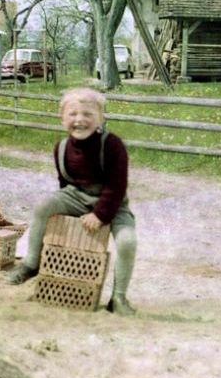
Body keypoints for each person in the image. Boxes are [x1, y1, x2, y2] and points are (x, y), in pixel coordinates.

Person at [7, 87, 138, 315]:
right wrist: (69, 222)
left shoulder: (112, 145)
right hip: (77, 196)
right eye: (73, 114)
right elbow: (65, 184)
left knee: (127, 241)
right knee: (43, 207)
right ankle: (31, 263)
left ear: (101, 118)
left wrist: (99, 215)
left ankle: (118, 297)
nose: (80, 120)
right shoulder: (62, 148)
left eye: (88, 114)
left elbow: (117, 186)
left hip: (112, 203)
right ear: (62, 118)